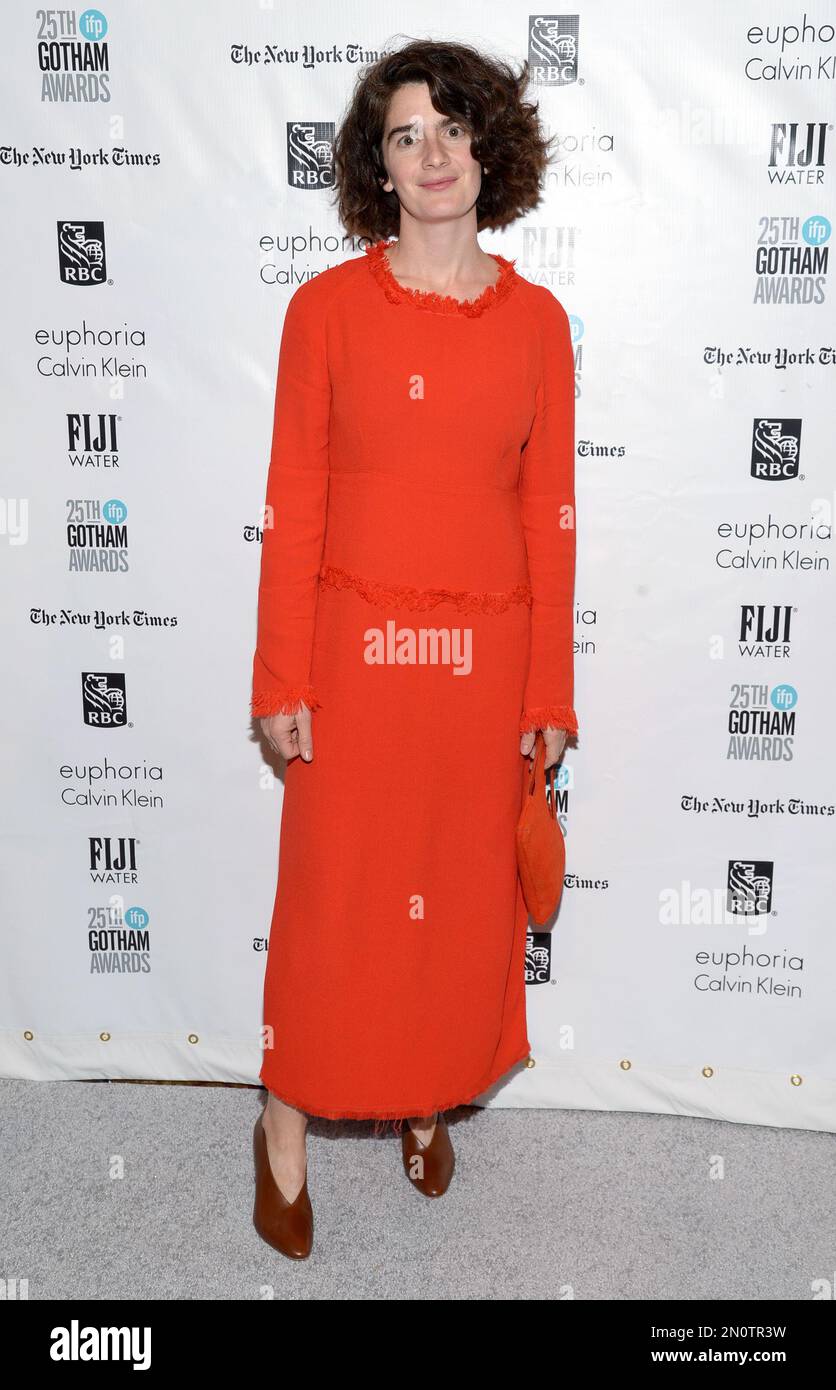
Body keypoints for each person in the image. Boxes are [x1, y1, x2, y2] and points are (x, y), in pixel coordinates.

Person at [250, 37, 578, 1259]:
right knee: (334, 905)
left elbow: (550, 517)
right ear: (375, 168)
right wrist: (282, 673)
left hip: (480, 668)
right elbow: (292, 500)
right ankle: (280, 1127)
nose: (432, 154)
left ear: (488, 150)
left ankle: (427, 1097)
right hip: (354, 657)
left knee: (454, 907)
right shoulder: (323, 311)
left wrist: (547, 689)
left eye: (451, 128)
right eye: (404, 134)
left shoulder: (539, 324)